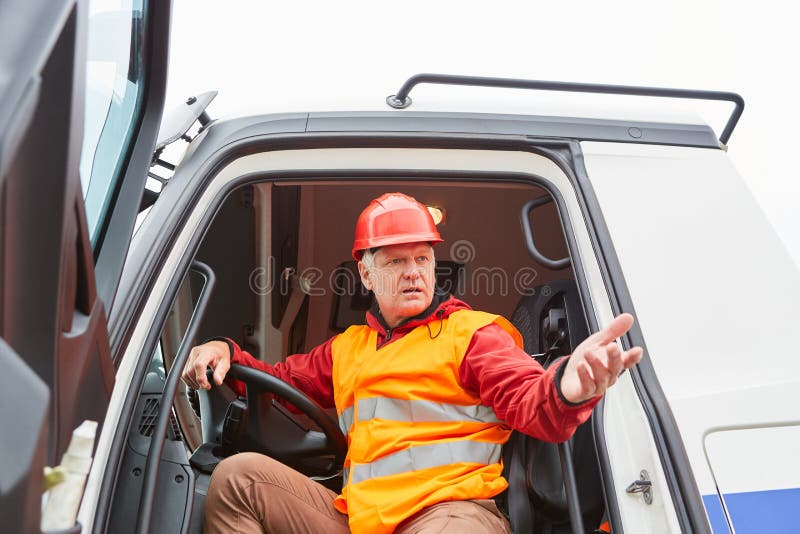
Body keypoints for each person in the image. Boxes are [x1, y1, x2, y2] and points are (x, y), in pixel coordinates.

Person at [182, 192, 643, 534]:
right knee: (237, 478)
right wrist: (225, 351)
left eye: (422, 258)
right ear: (366, 273)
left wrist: (566, 387)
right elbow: (277, 381)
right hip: (361, 518)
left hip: (450, 513)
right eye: (397, 261)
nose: (413, 272)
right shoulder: (348, 348)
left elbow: (530, 399)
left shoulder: (473, 334)